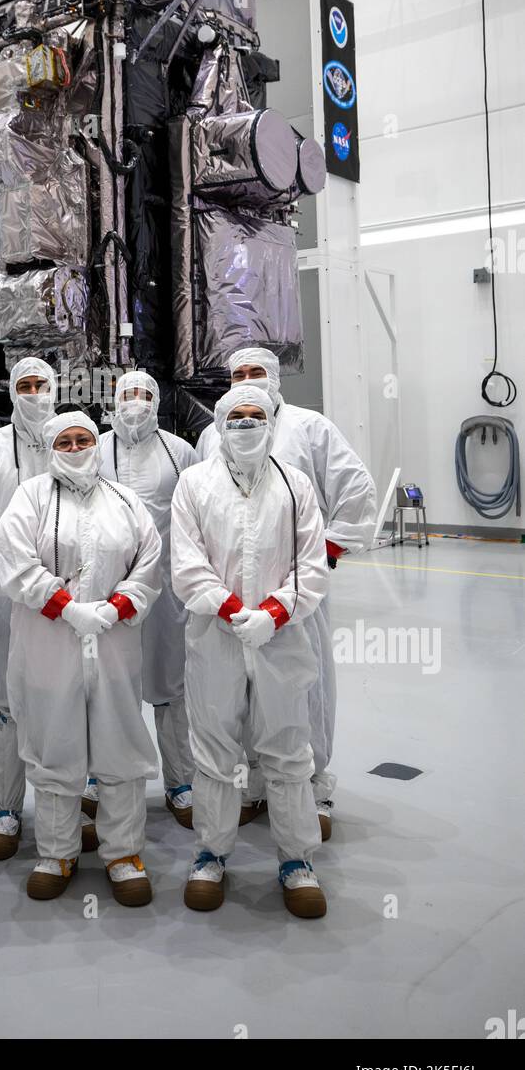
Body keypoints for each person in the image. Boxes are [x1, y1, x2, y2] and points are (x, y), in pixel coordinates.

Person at [195, 345, 377, 837]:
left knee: (304, 685)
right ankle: (255, 784)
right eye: (238, 375)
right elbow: (196, 502)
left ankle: (312, 787)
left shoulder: (309, 427)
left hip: (296, 589)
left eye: (258, 372)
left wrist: (327, 552)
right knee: (240, 692)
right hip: (230, 598)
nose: (248, 382)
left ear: (276, 377)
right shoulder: (213, 435)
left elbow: (356, 488)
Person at [170, 385, 329, 917]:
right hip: (216, 637)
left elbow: (311, 564)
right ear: (219, 423)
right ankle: (211, 854)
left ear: (270, 420)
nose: (244, 423)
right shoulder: (194, 484)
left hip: (281, 639)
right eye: (234, 416)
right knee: (214, 748)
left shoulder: (295, 483)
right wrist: (232, 609)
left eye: (255, 415)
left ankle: (296, 860)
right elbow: (187, 563)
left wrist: (275, 613)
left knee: (287, 747)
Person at [0, 411, 162, 906]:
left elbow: (149, 561)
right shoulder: (30, 498)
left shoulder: (126, 500)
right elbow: (14, 560)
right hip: (49, 647)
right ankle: (56, 852)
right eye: (63, 441)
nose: (74, 447)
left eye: (83, 438)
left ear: (96, 443)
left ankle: (124, 853)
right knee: (53, 745)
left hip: (113, 644)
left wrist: (116, 607)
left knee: (121, 747)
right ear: (51, 449)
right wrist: (67, 608)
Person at [0, 357, 102, 860]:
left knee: (75, 695)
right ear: (11, 391)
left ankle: (75, 798)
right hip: (11, 597)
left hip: (79, 598)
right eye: (24, 385)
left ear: (56, 387)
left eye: (43, 384)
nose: (35, 392)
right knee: (10, 702)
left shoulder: (80, 439)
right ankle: (5, 809)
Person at [95, 370, 198, 829]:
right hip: (106, 590)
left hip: (166, 591)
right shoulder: (94, 449)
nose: (135, 402)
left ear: (157, 401)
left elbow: (195, 517)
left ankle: (180, 781)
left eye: (144, 394)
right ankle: (104, 778)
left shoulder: (180, 453)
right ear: (115, 400)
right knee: (108, 685)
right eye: (127, 394)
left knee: (170, 686)